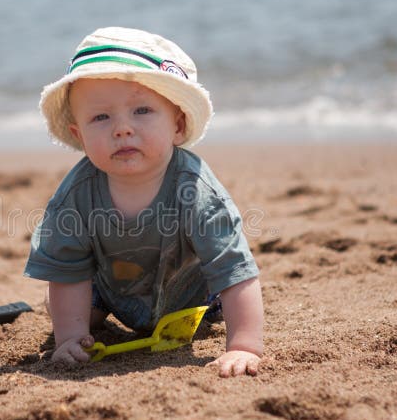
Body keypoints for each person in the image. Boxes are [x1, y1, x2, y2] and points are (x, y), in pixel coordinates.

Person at [24, 27, 264, 377]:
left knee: (225, 302)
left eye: (142, 111)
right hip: (109, 290)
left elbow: (232, 267)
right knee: (70, 309)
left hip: (193, 293)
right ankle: (78, 327)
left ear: (177, 125)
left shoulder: (195, 190)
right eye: (101, 117)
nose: (122, 128)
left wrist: (244, 346)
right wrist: (70, 337)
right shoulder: (76, 195)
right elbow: (66, 266)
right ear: (79, 135)